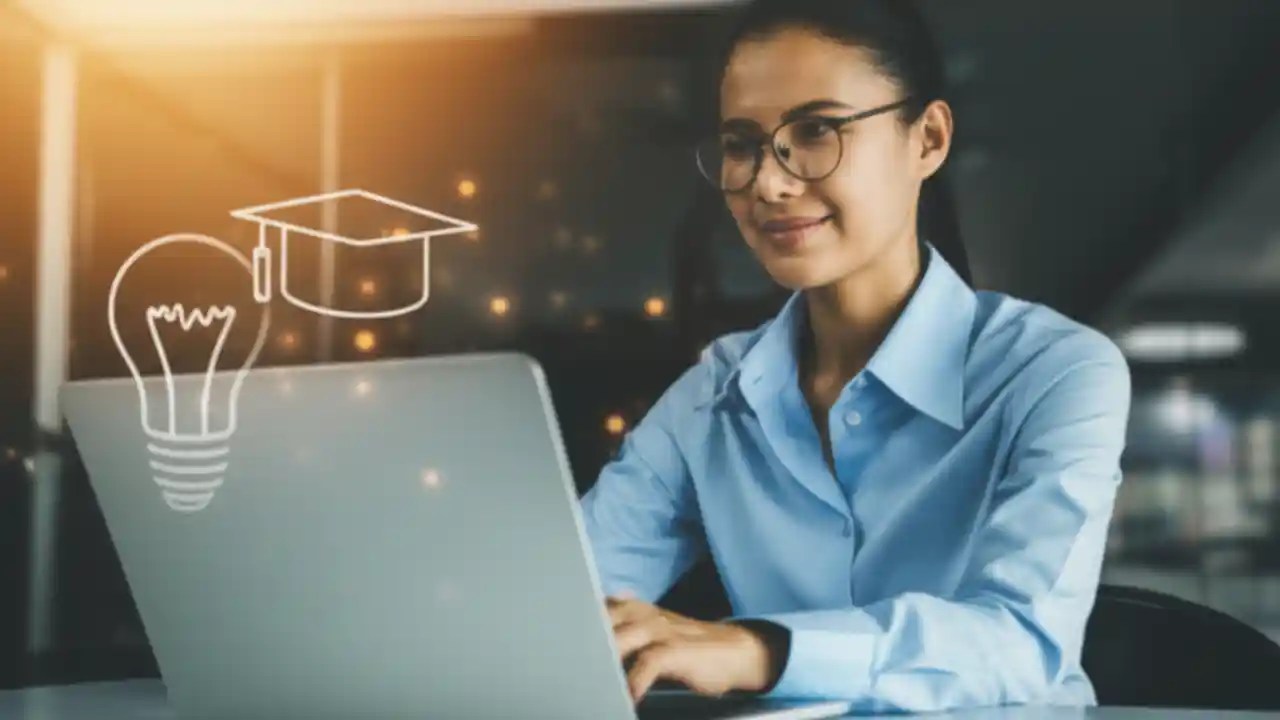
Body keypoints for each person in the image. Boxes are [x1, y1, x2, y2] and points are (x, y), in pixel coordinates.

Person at [580, 0, 1131, 713]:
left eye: (816, 131)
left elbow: (1022, 641)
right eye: (743, 144)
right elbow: (568, 604)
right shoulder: (711, 398)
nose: (769, 183)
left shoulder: (1055, 372)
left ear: (927, 139)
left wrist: (760, 649)